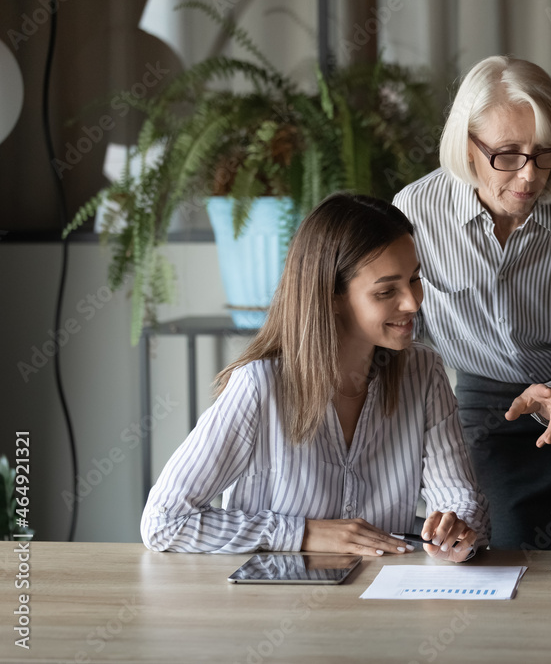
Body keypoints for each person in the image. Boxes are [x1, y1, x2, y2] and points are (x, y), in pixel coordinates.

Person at [141, 194, 489, 562]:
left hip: (387, 604)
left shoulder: (423, 372)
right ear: (332, 296)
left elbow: (463, 503)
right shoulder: (260, 386)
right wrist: (303, 533)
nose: (412, 303)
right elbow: (164, 522)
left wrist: (458, 531)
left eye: (415, 279)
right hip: (275, 609)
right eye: (386, 291)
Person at [393, 56, 551, 551]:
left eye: (545, 153)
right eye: (507, 154)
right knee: (508, 547)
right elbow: (401, 341)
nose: (529, 177)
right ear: (467, 146)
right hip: (485, 410)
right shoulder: (416, 212)